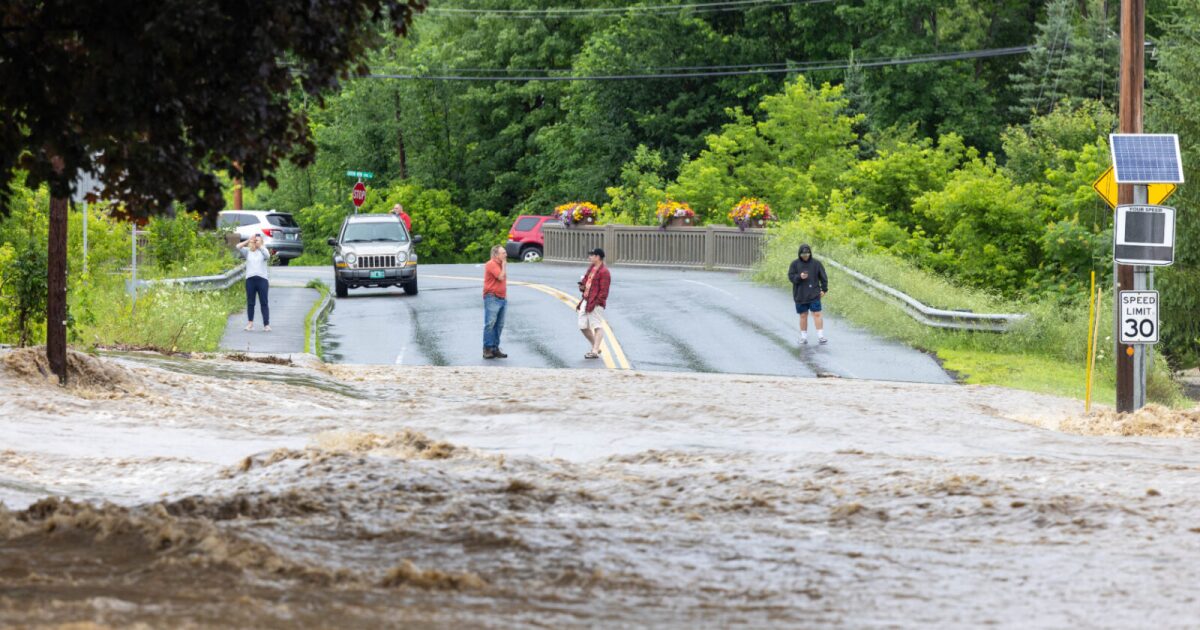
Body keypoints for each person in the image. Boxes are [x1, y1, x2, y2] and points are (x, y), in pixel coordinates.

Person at [787, 243, 828, 345]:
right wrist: (800, 277)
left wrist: (824, 289)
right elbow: (791, 277)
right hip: (800, 294)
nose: (805, 256)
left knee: (817, 313)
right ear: (799, 254)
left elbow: (823, 277)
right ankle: (803, 337)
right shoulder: (794, 264)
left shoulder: (816, 264)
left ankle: (821, 336)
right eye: (803, 255)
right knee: (803, 315)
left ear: (810, 253)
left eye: (807, 254)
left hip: (814, 293)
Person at [577, 248, 610, 359]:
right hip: (586, 300)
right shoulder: (591, 268)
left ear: (598, 257)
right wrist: (582, 287)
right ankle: (596, 346)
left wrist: (597, 302)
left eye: (592, 255)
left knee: (597, 326)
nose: (589, 257)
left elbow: (604, 291)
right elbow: (586, 282)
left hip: (595, 303)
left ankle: (595, 351)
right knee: (582, 326)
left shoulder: (604, 272)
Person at [237, 234, 271, 332]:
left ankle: (266, 324)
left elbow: (268, 256)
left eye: (258, 240)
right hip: (250, 279)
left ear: (261, 242)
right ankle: (250, 323)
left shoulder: (264, 250)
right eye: (255, 240)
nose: (256, 242)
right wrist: (248, 240)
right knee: (251, 302)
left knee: (264, 302)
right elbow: (238, 247)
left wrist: (260, 246)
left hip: (262, 279)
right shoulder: (248, 251)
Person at [482, 245, 508, 359]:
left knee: (499, 325)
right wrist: (504, 265)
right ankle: (487, 348)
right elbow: (500, 277)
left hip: (502, 298)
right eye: (503, 253)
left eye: (505, 252)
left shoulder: (499, 265)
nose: (505, 254)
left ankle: (495, 348)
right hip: (492, 297)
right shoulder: (491, 264)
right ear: (496, 255)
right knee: (490, 324)